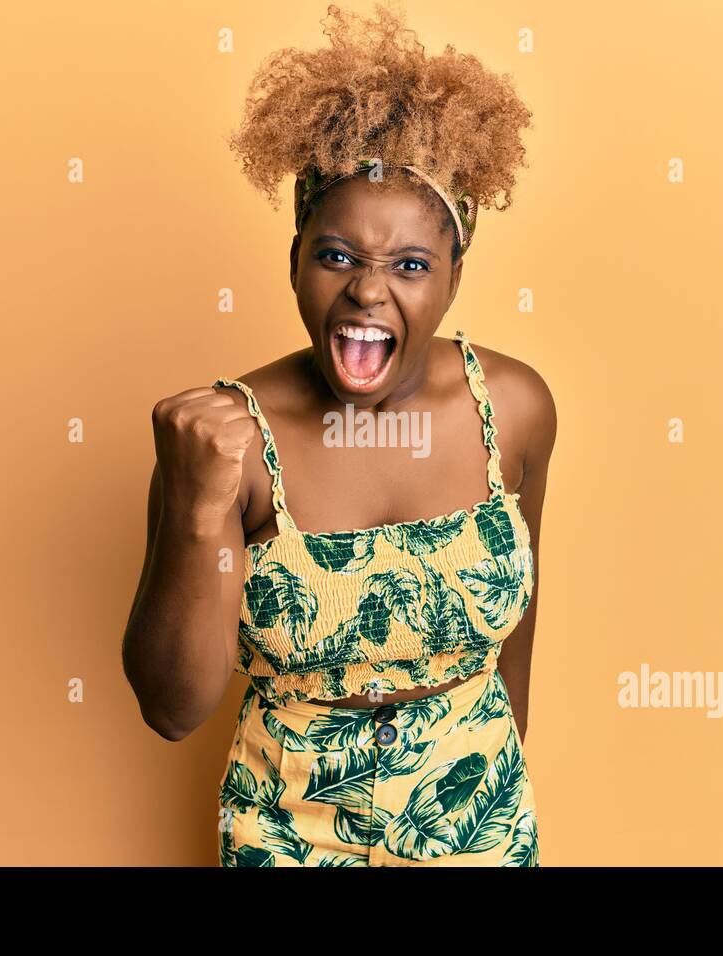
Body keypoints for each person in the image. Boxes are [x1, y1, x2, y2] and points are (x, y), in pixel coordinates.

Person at [123, 1, 555, 866]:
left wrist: (498, 807)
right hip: (287, 836)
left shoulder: (510, 407)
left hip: (480, 826)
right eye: (337, 255)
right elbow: (172, 710)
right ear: (294, 260)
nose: (367, 290)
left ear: (453, 277)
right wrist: (199, 511)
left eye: (409, 265)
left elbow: (518, 648)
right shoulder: (226, 441)